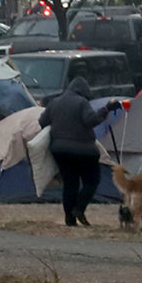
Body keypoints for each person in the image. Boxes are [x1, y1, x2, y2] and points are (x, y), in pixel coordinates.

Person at [42, 77, 103, 227]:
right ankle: (79, 208)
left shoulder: (54, 102)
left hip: (60, 150)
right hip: (85, 151)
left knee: (70, 184)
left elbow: (42, 121)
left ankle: (69, 219)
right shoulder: (82, 102)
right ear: (84, 90)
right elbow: (90, 120)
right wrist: (105, 110)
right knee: (92, 181)